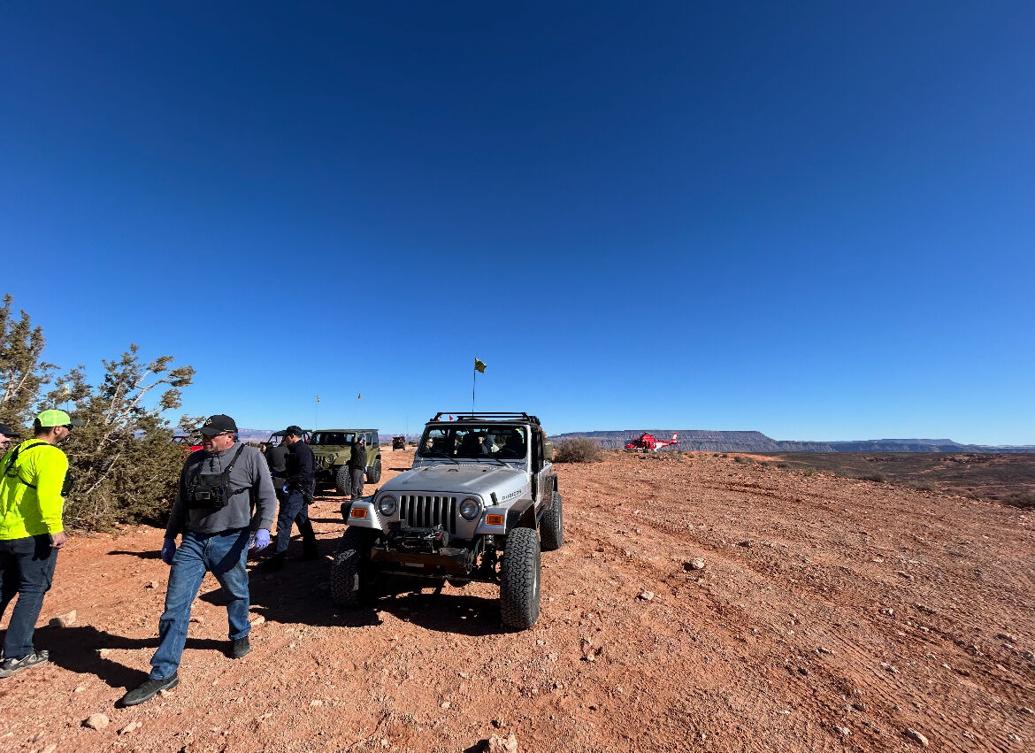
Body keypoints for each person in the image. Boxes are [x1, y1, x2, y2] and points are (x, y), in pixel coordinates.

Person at [119, 414, 276, 707]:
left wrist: (264, 526)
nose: (205, 439)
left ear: (230, 436)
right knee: (174, 606)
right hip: (193, 541)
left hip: (232, 539)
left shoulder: (251, 457)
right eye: (204, 434)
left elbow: (267, 495)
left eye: (211, 435)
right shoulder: (193, 461)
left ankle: (239, 632)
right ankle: (164, 672)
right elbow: (181, 501)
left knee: (236, 592)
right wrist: (169, 536)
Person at [0, 409, 72, 678]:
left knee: (3, 588)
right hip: (32, 533)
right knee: (32, 590)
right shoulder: (52, 455)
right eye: (67, 427)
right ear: (56, 429)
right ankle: (17, 653)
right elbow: (48, 495)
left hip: (5, 532)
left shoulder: (16, 451)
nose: (68, 431)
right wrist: (55, 528)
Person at [264, 425, 317, 570]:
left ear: (292, 435)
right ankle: (312, 552)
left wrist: (290, 481)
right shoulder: (296, 450)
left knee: (284, 522)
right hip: (298, 490)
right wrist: (277, 474)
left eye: (286, 436)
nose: (284, 439)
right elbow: (293, 471)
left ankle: (278, 560)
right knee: (302, 521)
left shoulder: (303, 450)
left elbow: (305, 473)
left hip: (298, 491)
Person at [348, 435, 367, 500]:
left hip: (361, 468)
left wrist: (365, 466)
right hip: (355, 468)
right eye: (362, 440)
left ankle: (359, 495)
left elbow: (364, 456)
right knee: (355, 483)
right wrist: (359, 442)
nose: (363, 441)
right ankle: (354, 497)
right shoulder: (355, 447)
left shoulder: (362, 447)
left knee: (361, 482)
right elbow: (356, 449)